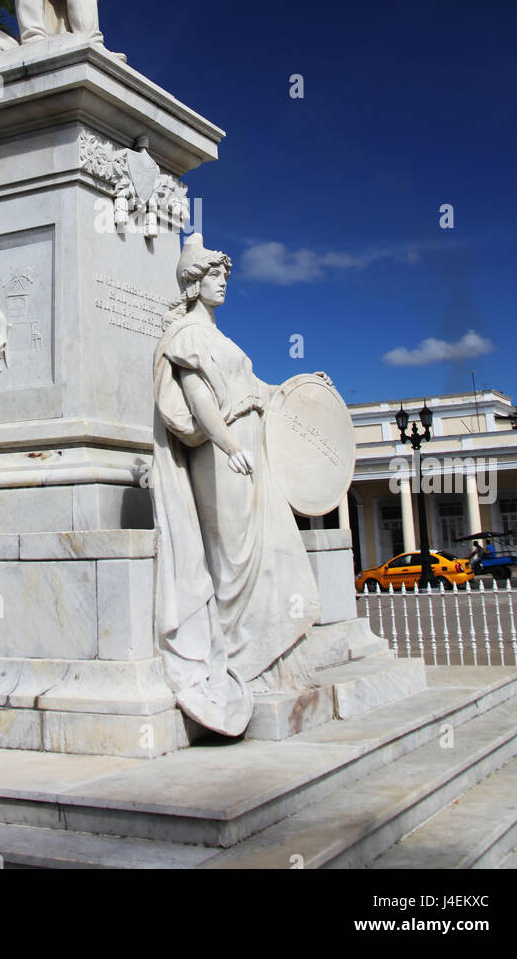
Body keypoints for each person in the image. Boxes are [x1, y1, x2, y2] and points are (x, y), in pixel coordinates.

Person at [150, 234, 322, 736]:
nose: (223, 282)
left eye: (225, 275)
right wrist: (229, 447)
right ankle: (236, 657)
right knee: (232, 555)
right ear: (193, 282)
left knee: (263, 549)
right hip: (224, 454)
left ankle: (264, 656)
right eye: (215, 275)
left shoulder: (224, 341)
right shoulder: (186, 337)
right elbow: (198, 401)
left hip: (251, 448)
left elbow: (259, 392)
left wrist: (303, 388)